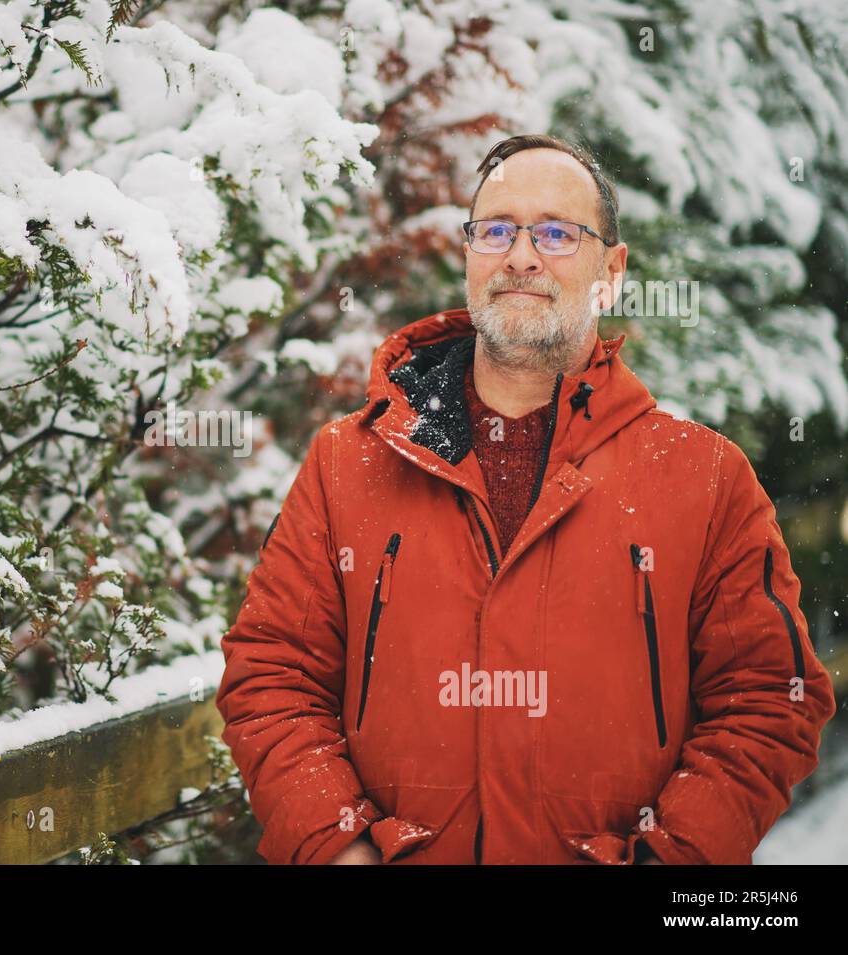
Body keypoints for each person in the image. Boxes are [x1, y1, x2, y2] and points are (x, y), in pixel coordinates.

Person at [214, 134, 838, 865]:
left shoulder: (706, 477)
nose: (520, 255)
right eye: (496, 229)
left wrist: (671, 857)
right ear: (469, 254)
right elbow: (271, 674)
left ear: (612, 270)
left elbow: (769, 699)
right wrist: (338, 846)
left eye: (554, 233)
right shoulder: (348, 462)